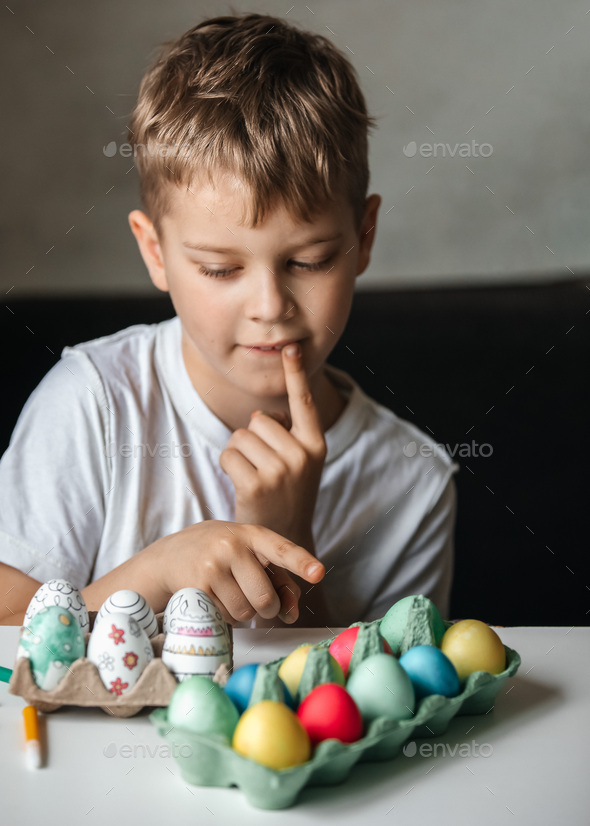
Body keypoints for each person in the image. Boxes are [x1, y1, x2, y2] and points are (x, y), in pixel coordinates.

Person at [0, 13, 457, 629]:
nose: (270, 305)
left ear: (364, 236)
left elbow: (381, 710)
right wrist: (152, 577)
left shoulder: (414, 483)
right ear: (156, 252)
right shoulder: (96, 402)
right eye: (219, 268)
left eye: (309, 260)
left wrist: (288, 537)